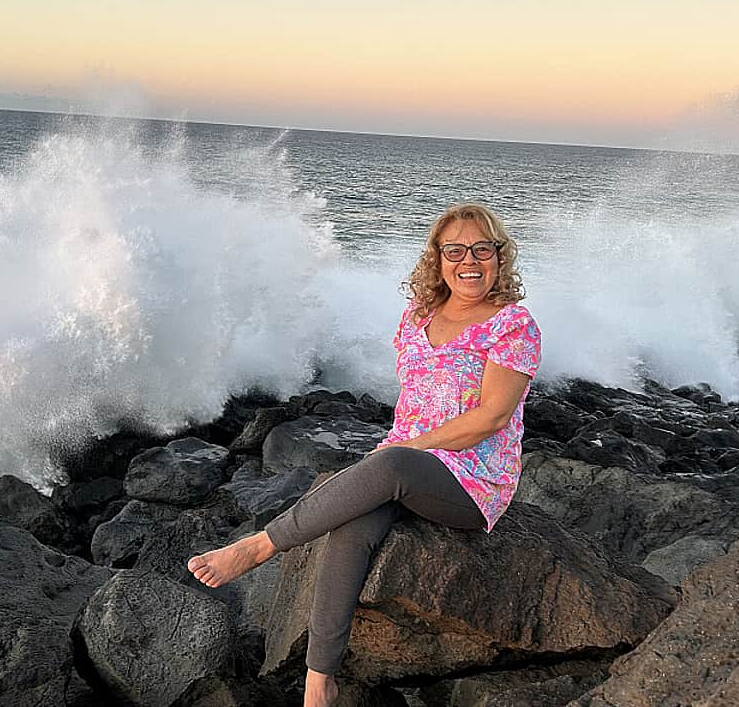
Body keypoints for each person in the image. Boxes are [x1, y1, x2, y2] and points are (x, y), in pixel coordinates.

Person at [188, 202, 541, 707]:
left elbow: (492, 417)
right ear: (438, 259)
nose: (469, 260)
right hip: (407, 464)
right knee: (353, 521)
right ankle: (319, 681)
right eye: (455, 250)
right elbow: (415, 402)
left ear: (499, 257)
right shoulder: (419, 317)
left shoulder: (513, 325)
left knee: (388, 467)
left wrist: (404, 451)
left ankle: (261, 546)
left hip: (471, 479)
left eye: (481, 249)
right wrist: (399, 452)